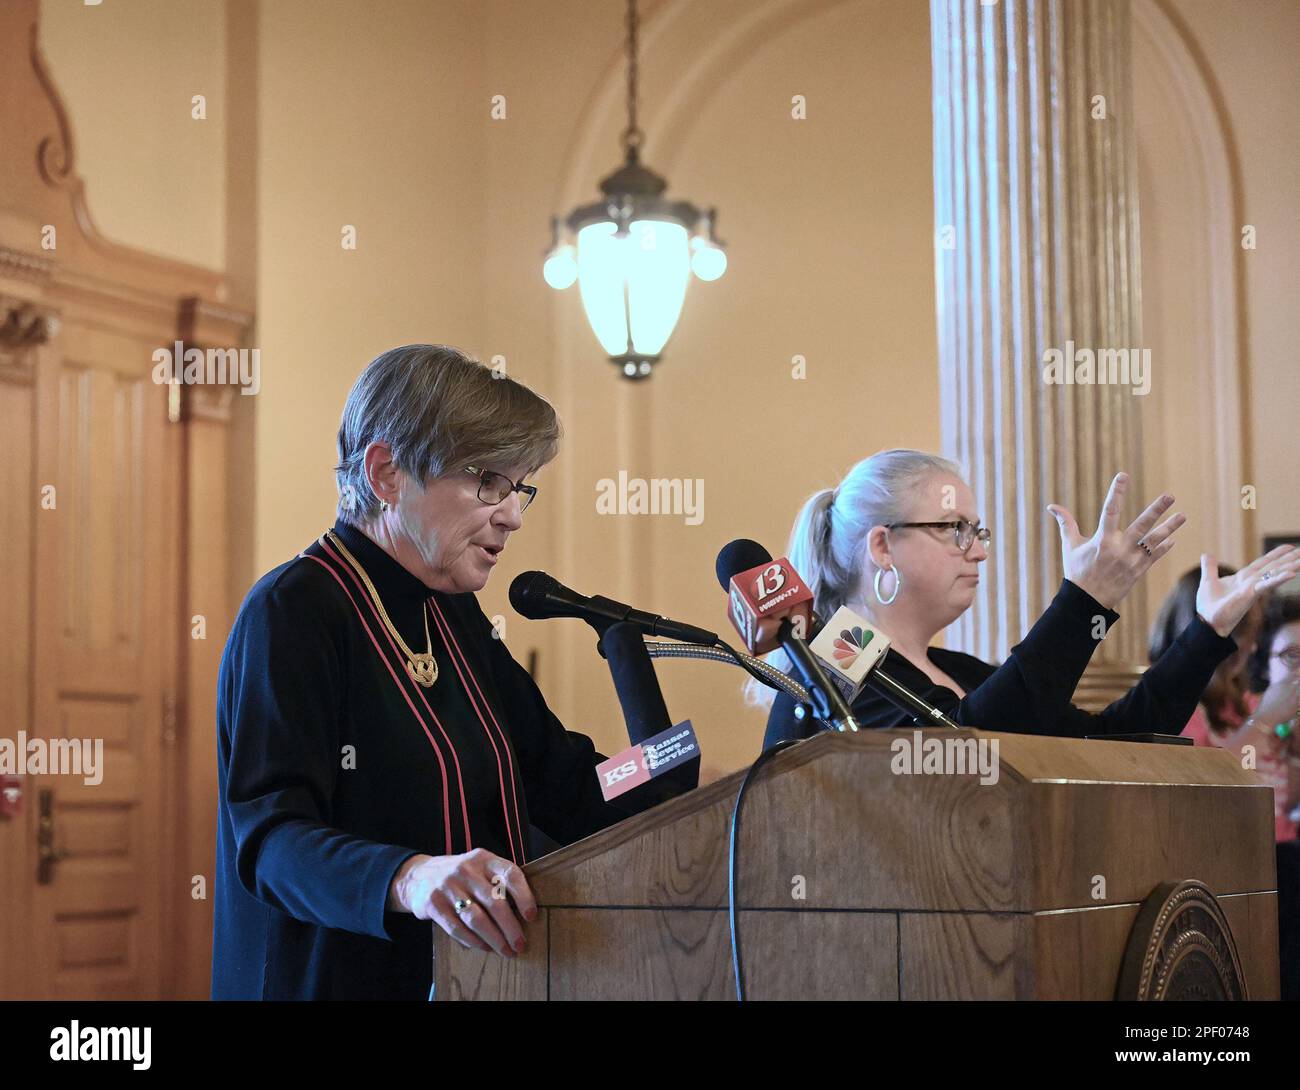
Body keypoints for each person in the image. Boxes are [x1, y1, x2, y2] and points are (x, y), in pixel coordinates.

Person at [212, 344, 685, 1000]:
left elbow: (566, 777)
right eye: (489, 481)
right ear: (386, 473)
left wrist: (679, 776)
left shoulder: (454, 614)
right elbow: (269, 838)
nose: (513, 514)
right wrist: (411, 878)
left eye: (519, 488)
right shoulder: (293, 611)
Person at [761, 449, 1300, 748]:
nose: (978, 552)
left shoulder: (960, 671)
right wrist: (1087, 600)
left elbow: (1107, 740)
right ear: (882, 545)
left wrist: (1205, 635)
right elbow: (962, 747)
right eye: (955, 530)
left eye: (978, 532)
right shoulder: (835, 654)